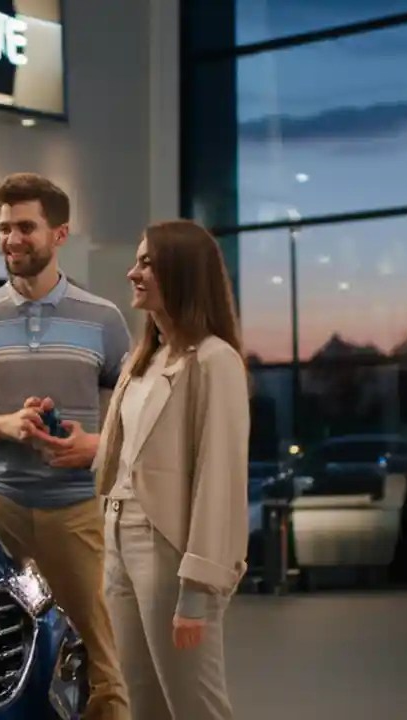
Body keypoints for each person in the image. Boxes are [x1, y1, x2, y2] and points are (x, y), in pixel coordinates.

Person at [0, 172, 131, 720]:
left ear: (59, 234)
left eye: (25, 227)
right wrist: (4, 426)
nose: (12, 240)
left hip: (78, 511)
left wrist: (94, 447)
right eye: (3, 228)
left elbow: (131, 426)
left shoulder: (105, 320)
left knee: (108, 669)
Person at [88, 219, 249, 720]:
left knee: (196, 705)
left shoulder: (214, 362)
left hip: (167, 549)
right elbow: (130, 457)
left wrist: (197, 591)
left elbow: (217, 481)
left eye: (146, 262)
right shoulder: (144, 359)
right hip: (118, 539)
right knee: (140, 704)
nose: (132, 272)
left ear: (180, 273)